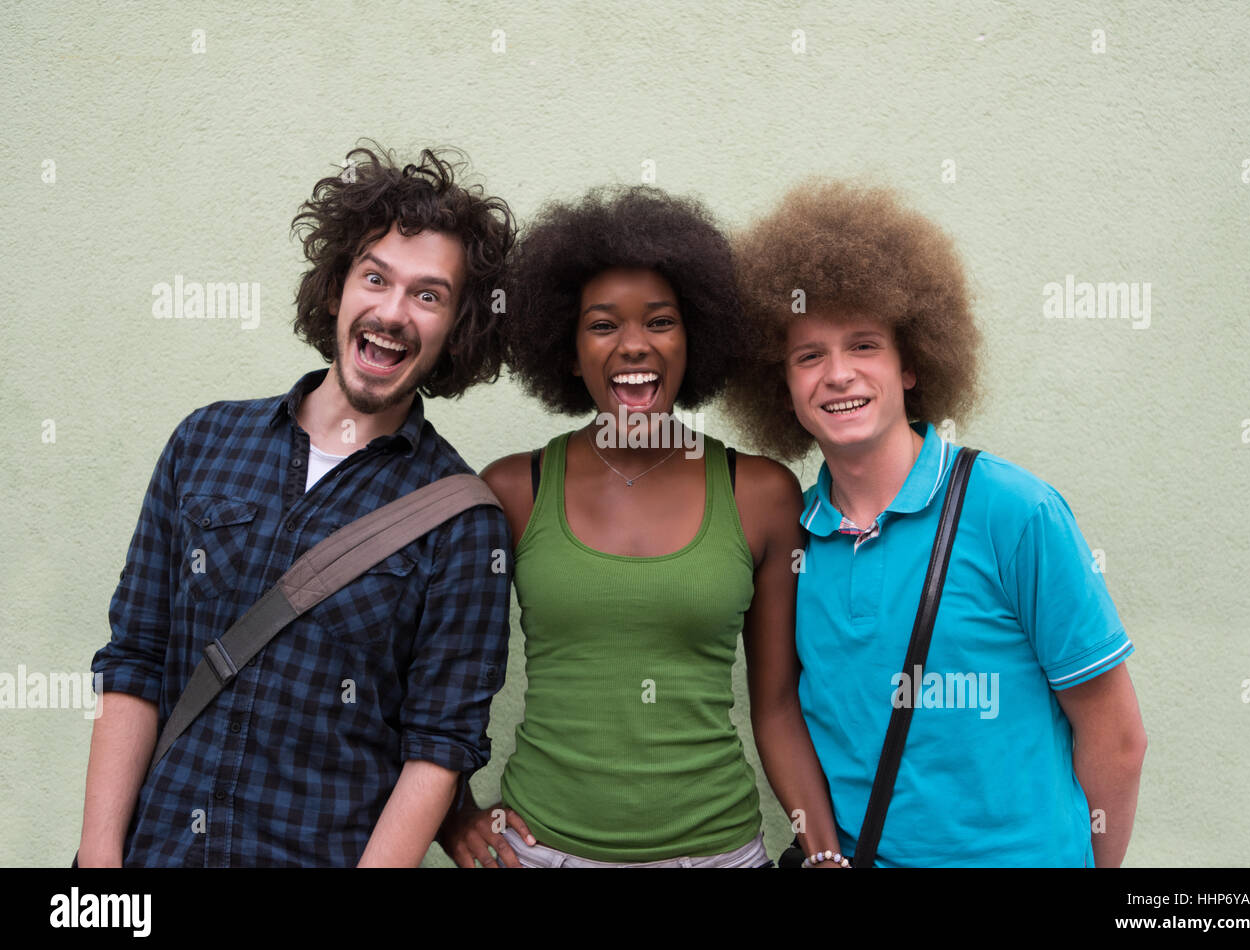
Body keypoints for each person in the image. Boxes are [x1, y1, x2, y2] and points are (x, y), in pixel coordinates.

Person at [78, 145, 517, 867]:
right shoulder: (204, 440)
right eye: (375, 277)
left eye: (428, 295)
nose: (392, 312)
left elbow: (438, 749)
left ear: (457, 329)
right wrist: (99, 862)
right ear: (338, 286)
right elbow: (135, 661)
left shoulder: (465, 524)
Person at [724, 180, 1147, 867]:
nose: (838, 374)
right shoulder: (795, 537)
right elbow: (782, 711)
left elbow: (1118, 737)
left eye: (864, 345)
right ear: (783, 387)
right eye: (810, 355)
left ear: (912, 362)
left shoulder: (1015, 511)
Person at [437, 185, 842, 867]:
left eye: (660, 321)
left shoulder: (762, 494)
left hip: (716, 853)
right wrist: (454, 816)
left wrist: (825, 851)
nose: (633, 345)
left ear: (695, 341)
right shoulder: (513, 489)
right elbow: (441, 680)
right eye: (603, 325)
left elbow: (775, 707)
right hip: (540, 851)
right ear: (568, 352)